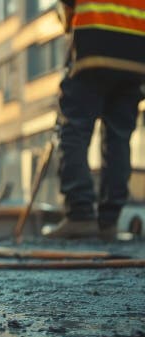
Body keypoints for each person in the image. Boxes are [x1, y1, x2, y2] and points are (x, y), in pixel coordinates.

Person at [45, 0, 145, 240]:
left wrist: (68, 22)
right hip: (135, 58)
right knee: (119, 137)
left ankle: (80, 215)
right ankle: (109, 221)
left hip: (94, 47)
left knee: (74, 130)